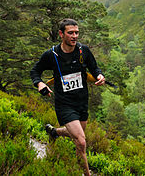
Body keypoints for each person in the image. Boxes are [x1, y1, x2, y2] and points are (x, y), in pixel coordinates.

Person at [30, 18, 105, 176]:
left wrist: (99, 75)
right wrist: (40, 84)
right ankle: (86, 174)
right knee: (81, 141)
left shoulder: (83, 50)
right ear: (61, 34)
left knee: (78, 136)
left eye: (76, 32)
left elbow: (94, 67)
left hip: (82, 101)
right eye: (70, 33)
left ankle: (54, 132)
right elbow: (35, 71)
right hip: (64, 103)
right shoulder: (52, 54)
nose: (74, 36)